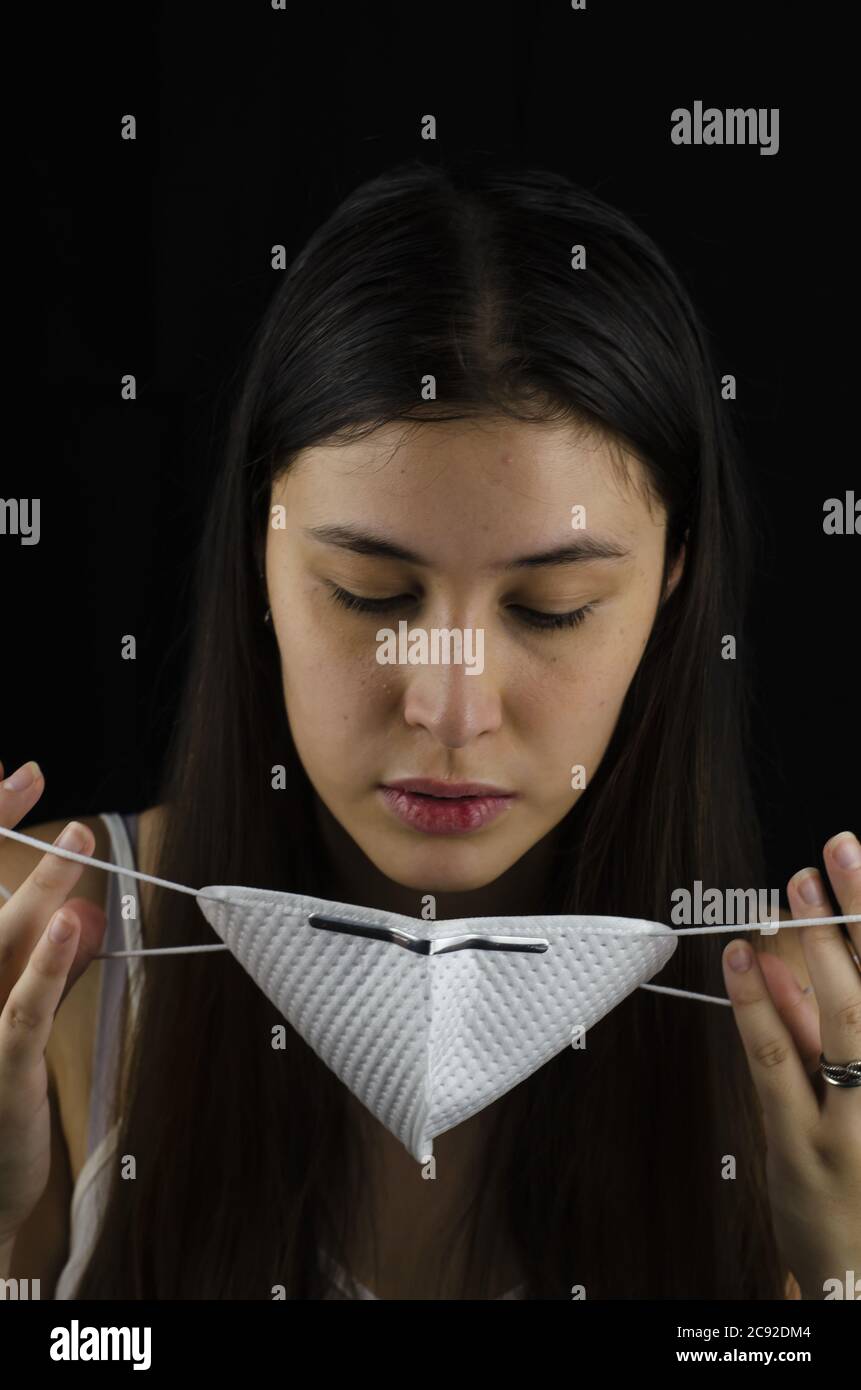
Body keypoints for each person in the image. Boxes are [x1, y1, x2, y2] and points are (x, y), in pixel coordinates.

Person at [1, 161, 858, 1300]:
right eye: (370, 593)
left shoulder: (807, 1050)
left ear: (671, 586)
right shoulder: (43, 955)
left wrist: (844, 1272)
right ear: (260, 555)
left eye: (550, 611)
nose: (449, 706)